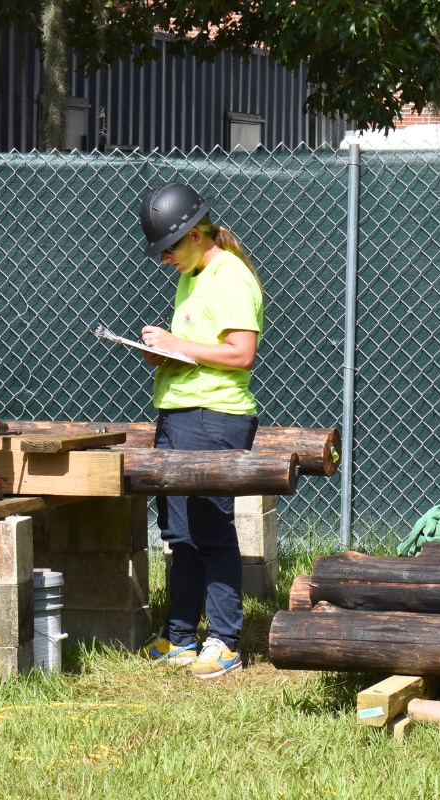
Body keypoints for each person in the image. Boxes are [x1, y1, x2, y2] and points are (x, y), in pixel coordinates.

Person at [136, 182, 265, 679]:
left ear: (194, 235)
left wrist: (177, 346)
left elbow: (242, 354)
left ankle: (226, 642)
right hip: (178, 413)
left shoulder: (230, 276)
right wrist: (163, 351)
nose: (164, 258)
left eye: (168, 247)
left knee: (211, 528)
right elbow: (197, 348)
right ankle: (180, 637)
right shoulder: (192, 275)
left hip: (215, 417)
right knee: (180, 533)